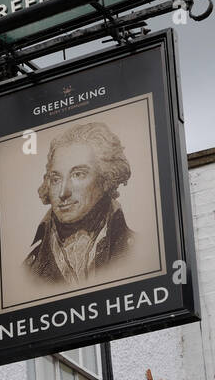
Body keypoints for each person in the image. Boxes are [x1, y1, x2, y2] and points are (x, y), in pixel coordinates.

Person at [24, 120, 134, 284]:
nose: (63, 193)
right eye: (56, 179)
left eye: (78, 174)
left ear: (106, 178)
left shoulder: (135, 251)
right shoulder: (29, 271)